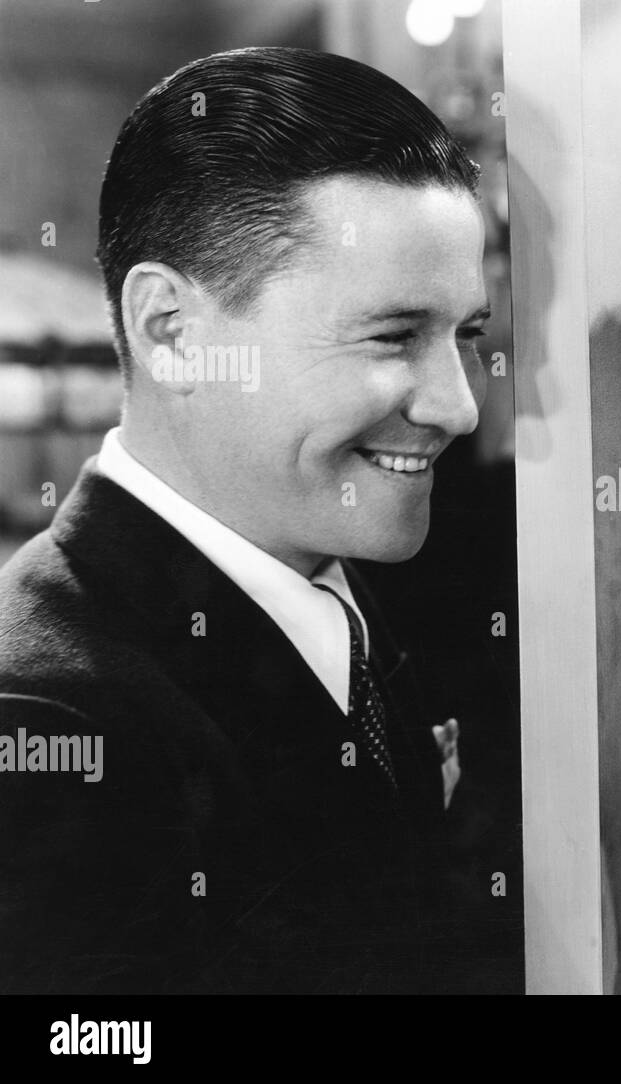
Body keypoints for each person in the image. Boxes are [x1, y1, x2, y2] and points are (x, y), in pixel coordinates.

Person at [0, 46, 492, 993]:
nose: (457, 405)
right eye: (394, 336)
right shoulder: (49, 727)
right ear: (171, 332)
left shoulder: (334, 569)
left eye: (465, 336)